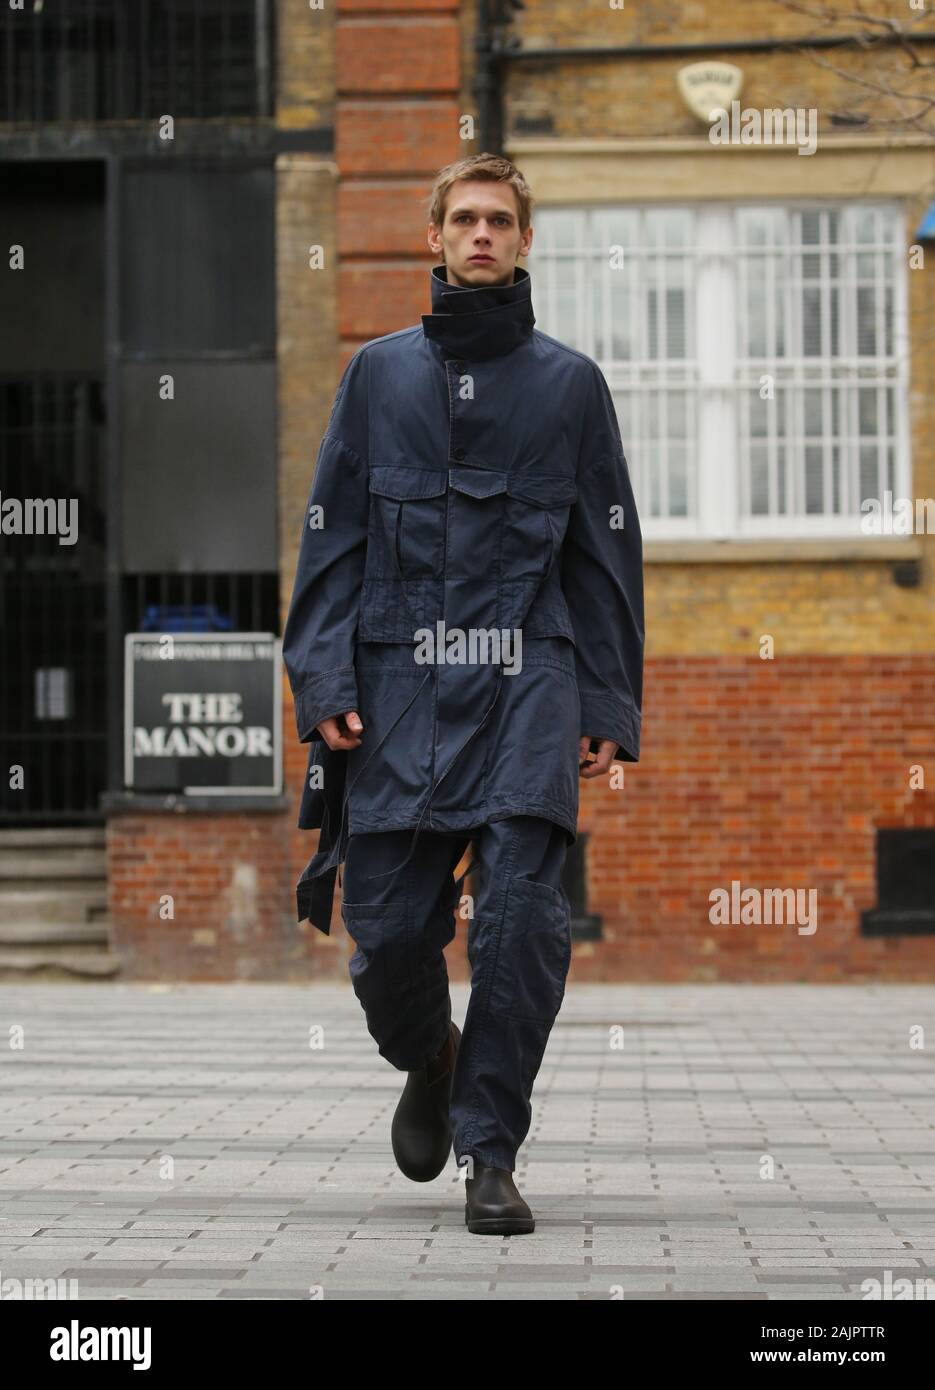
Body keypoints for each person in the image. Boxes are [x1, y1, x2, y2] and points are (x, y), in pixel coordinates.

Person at [282, 153, 644, 1235]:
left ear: (522, 242)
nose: (481, 235)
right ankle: (430, 1060)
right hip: (395, 685)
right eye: (463, 219)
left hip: (528, 676)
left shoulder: (570, 386)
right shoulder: (374, 376)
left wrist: (605, 704)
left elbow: (603, 558)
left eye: (499, 220)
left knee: (521, 925)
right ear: (434, 238)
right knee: (389, 933)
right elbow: (329, 540)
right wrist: (324, 678)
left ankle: (490, 1149)